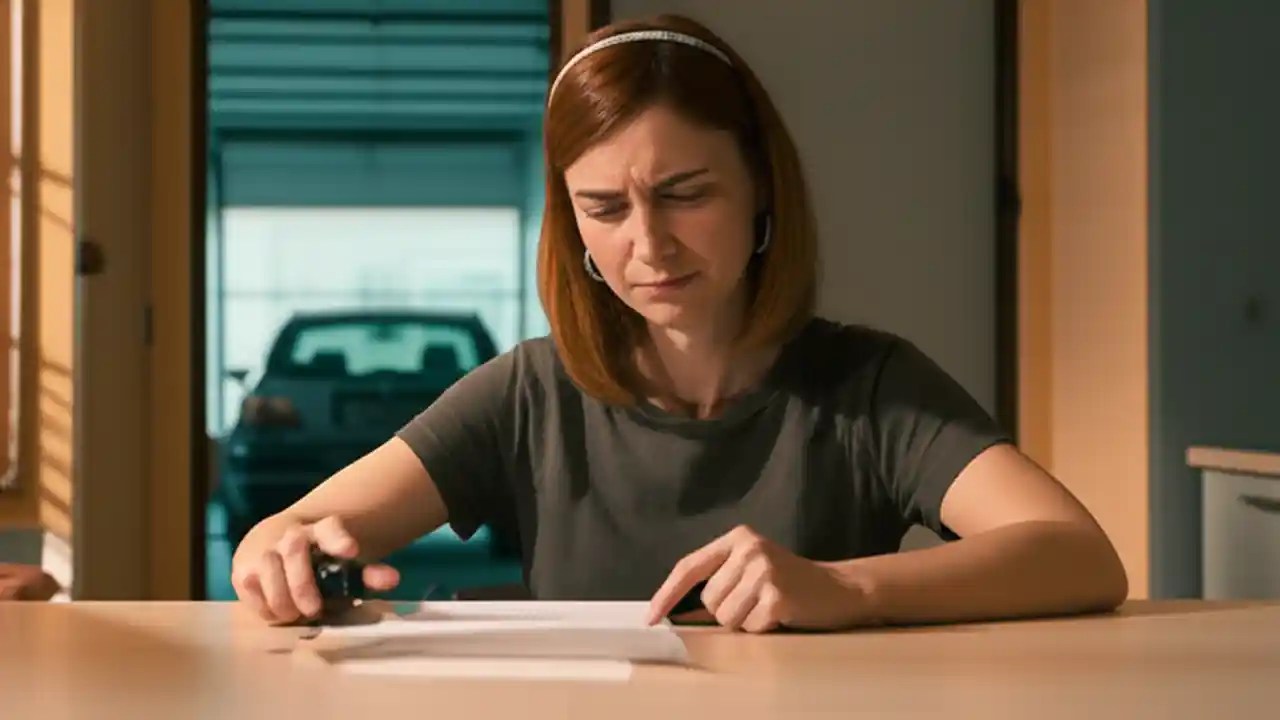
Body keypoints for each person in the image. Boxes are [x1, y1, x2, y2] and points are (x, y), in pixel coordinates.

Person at [231, 14, 1128, 633]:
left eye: (684, 194)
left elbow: (1078, 557)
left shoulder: (868, 386)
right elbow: (297, 528)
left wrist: (843, 587)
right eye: (604, 208)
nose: (647, 244)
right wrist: (279, 550)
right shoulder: (531, 392)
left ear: (761, 188)